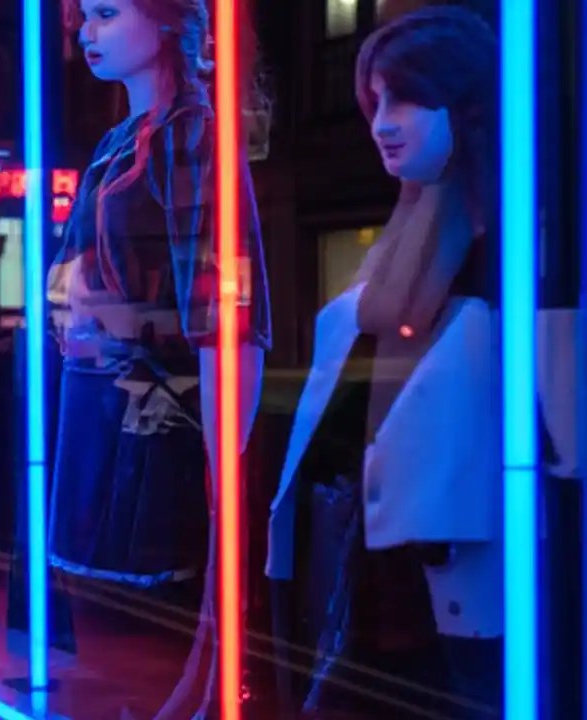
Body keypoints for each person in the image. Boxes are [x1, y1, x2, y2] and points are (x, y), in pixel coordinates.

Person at [265, 7, 501, 718]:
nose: (382, 123)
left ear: (463, 106)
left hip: (456, 584)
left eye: (407, 99)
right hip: (370, 580)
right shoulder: (391, 261)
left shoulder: (507, 261)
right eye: (375, 102)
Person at [46, 0, 271, 715]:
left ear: (169, 19)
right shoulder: (120, 140)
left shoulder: (193, 137)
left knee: (152, 655)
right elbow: (67, 278)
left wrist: (221, 461)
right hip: (103, 415)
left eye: (108, 14)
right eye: (86, 18)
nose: (87, 33)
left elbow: (222, 310)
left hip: (155, 423)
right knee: (110, 660)